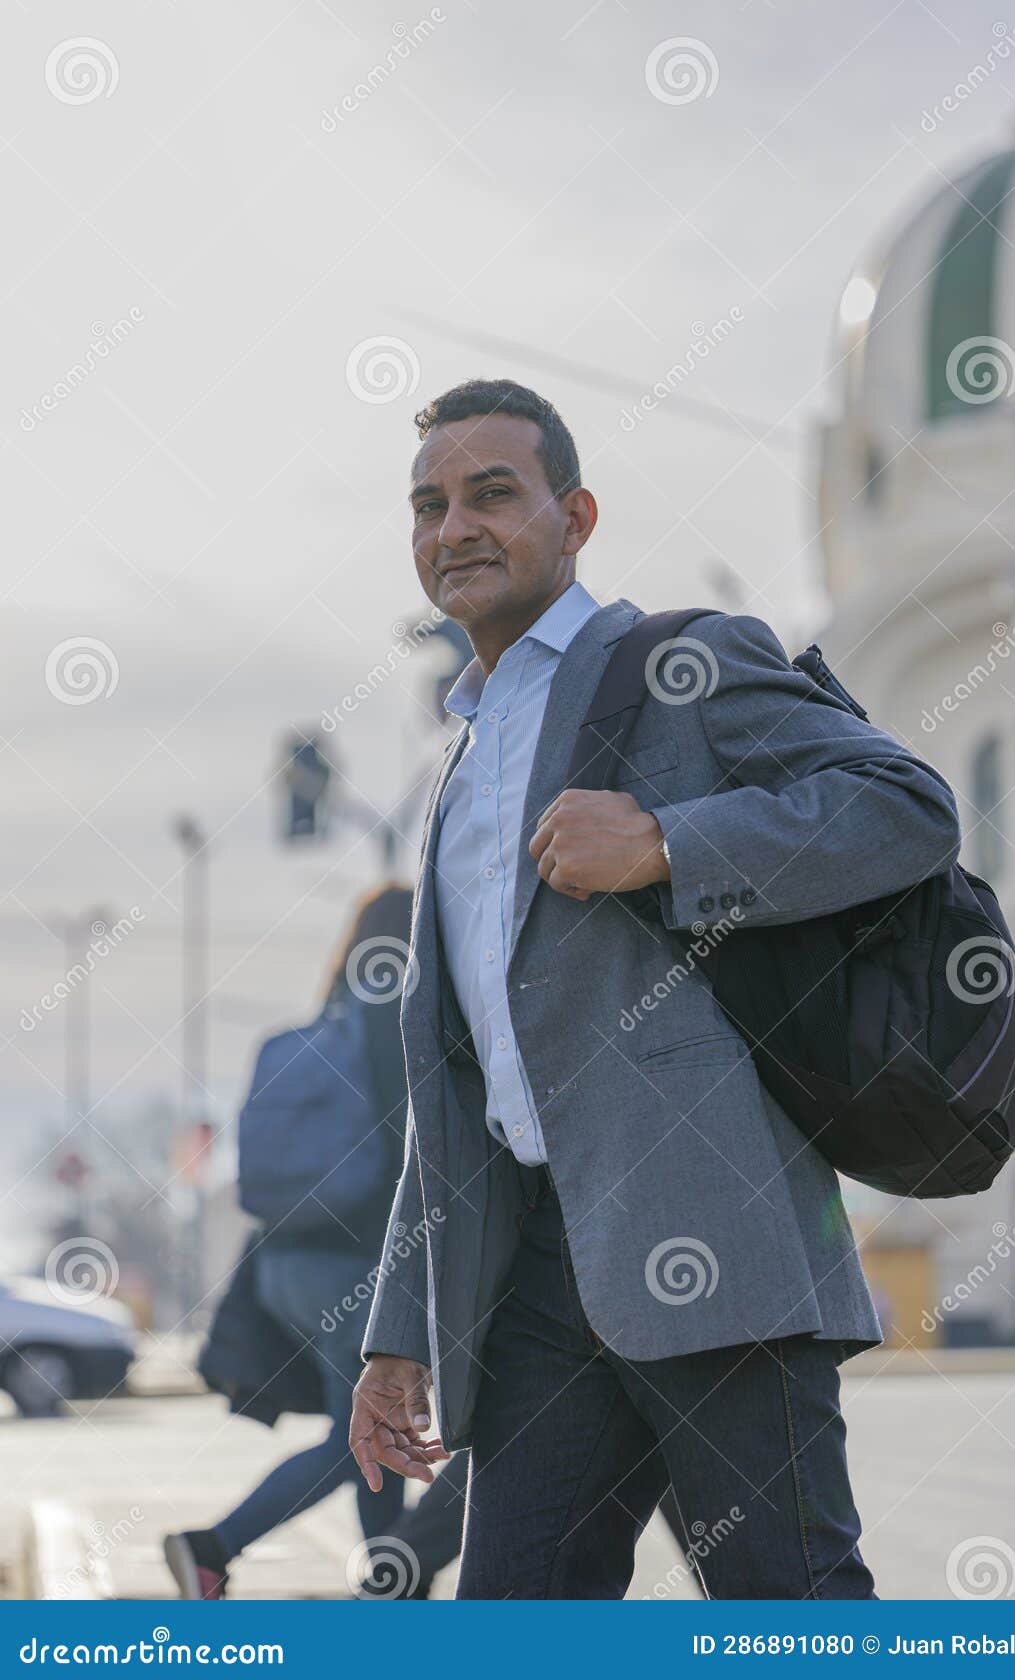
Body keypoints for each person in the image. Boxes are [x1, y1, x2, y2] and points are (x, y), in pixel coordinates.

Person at [349, 379, 964, 1599]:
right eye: (428, 504)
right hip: (535, 1283)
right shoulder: (458, 767)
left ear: (574, 516)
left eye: (491, 494)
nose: (453, 526)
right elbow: (455, 1075)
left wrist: (672, 843)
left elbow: (906, 809)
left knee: (794, 1615)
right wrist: (395, 1330)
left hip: (717, 1245)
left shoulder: (680, 660)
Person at [166, 884, 447, 1599]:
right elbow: (408, 1152)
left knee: (368, 1432)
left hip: (283, 1262)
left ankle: (392, 1578)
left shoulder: (319, 1030)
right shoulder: (393, 1026)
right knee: (362, 1438)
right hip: (355, 1263)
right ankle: (211, 1546)